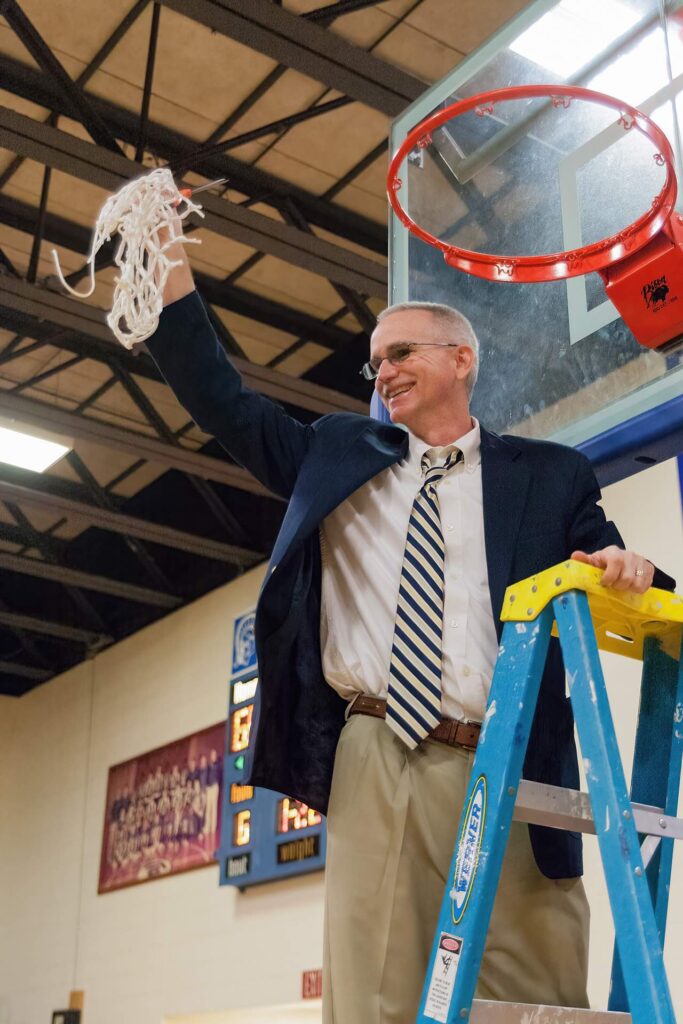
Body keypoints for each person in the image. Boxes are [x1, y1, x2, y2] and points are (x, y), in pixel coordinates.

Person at [144, 219, 675, 1023]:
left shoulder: (550, 474)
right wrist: (165, 263)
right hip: (377, 748)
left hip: (515, 752)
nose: (381, 370)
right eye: (375, 360)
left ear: (460, 359)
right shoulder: (334, 452)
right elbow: (221, 400)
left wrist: (630, 567)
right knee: (376, 992)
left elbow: (613, 565)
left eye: (400, 352)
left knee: (536, 984)